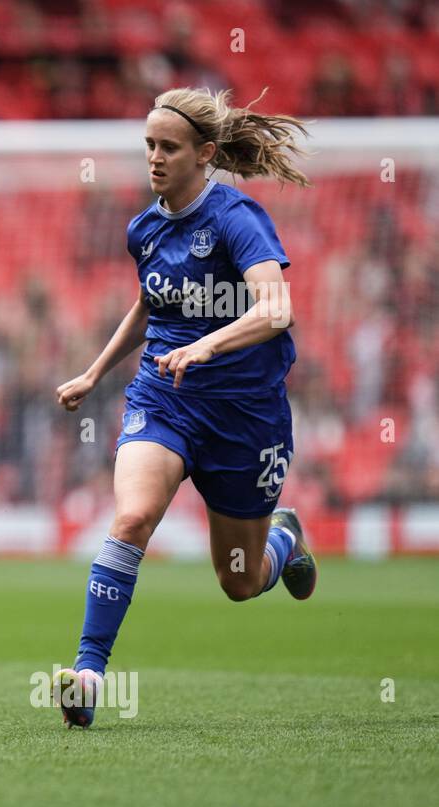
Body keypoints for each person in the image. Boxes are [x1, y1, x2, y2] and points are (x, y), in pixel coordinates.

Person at [53, 88, 318, 727]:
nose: (154, 158)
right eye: (148, 145)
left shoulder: (238, 219)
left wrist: (207, 345)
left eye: (167, 147)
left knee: (240, 581)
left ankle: (283, 538)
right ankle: (89, 675)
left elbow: (276, 309)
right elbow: (150, 304)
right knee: (134, 515)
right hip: (163, 401)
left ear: (204, 154)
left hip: (245, 418)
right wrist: (94, 372)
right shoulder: (144, 227)